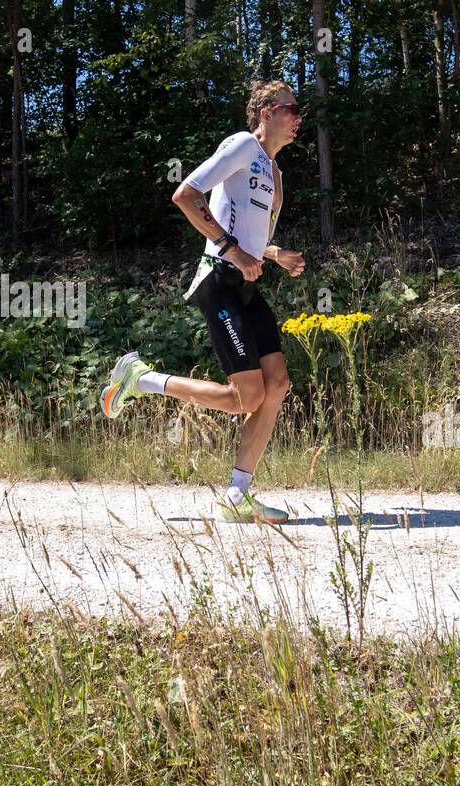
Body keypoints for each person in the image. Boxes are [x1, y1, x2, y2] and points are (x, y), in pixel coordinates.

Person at [100, 79, 305, 523]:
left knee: (278, 384)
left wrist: (274, 254)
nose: (299, 117)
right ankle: (142, 379)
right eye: (292, 107)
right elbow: (186, 196)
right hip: (218, 278)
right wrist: (231, 248)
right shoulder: (241, 146)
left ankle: (237, 495)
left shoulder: (276, 175)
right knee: (246, 397)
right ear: (267, 111)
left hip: (246, 284)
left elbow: (252, 236)